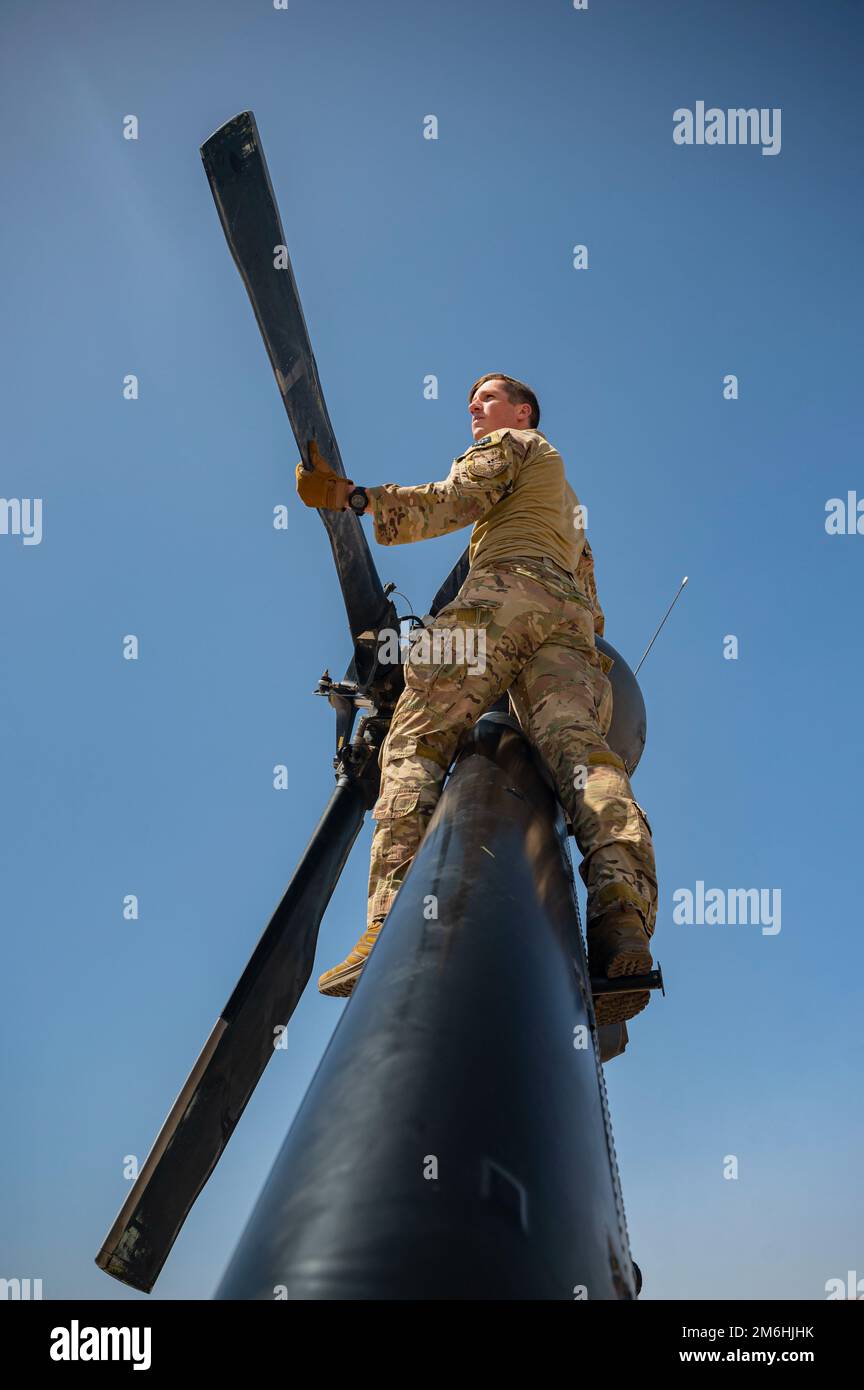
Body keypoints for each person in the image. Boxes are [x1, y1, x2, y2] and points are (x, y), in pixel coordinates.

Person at [295, 374, 658, 1026]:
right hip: (567, 622)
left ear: (523, 411)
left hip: (500, 595)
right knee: (579, 749)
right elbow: (592, 603)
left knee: (413, 735)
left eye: (487, 399)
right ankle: (622, 914)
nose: (475, 408)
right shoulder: (566, 503)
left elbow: (453, 499)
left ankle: (390, 920)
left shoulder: (513, 444)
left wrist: (354, 498)